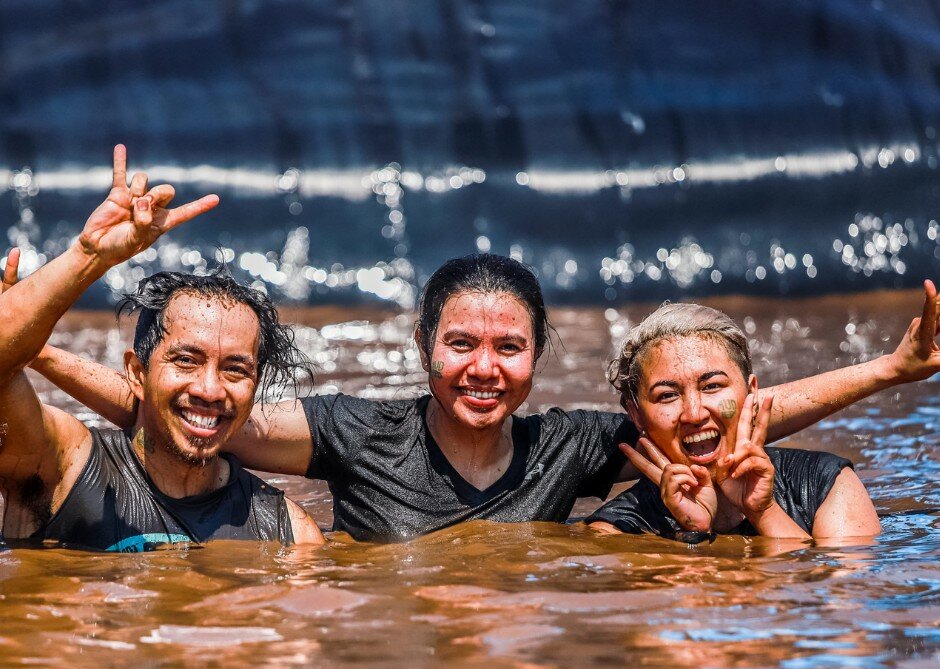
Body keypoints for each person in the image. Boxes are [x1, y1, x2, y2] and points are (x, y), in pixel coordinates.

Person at [19, 250, 940, 542]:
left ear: (537, 360)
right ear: (425, 349)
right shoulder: (352, 431)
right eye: (460, 344)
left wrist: (888, 374)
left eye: (509, 348)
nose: (483, 368)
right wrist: (48, 355)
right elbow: (199, 416)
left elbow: (715, 414)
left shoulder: (571, 447)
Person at [0, 145, 322, 551]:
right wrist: (89, 258)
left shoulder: (287, 533)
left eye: (235, 370)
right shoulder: (63, 466)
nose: (209, 390)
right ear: (136, 373)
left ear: (254, 388)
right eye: (186, 361)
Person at [588, 303, 882, 542]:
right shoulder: (616, 529)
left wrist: (764, 513)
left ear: (751, 392)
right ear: (636, 414)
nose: (694, 414)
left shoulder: (826, 485)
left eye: (712, 386)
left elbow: (838, 603)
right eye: (667, 395)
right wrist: (695, 533)